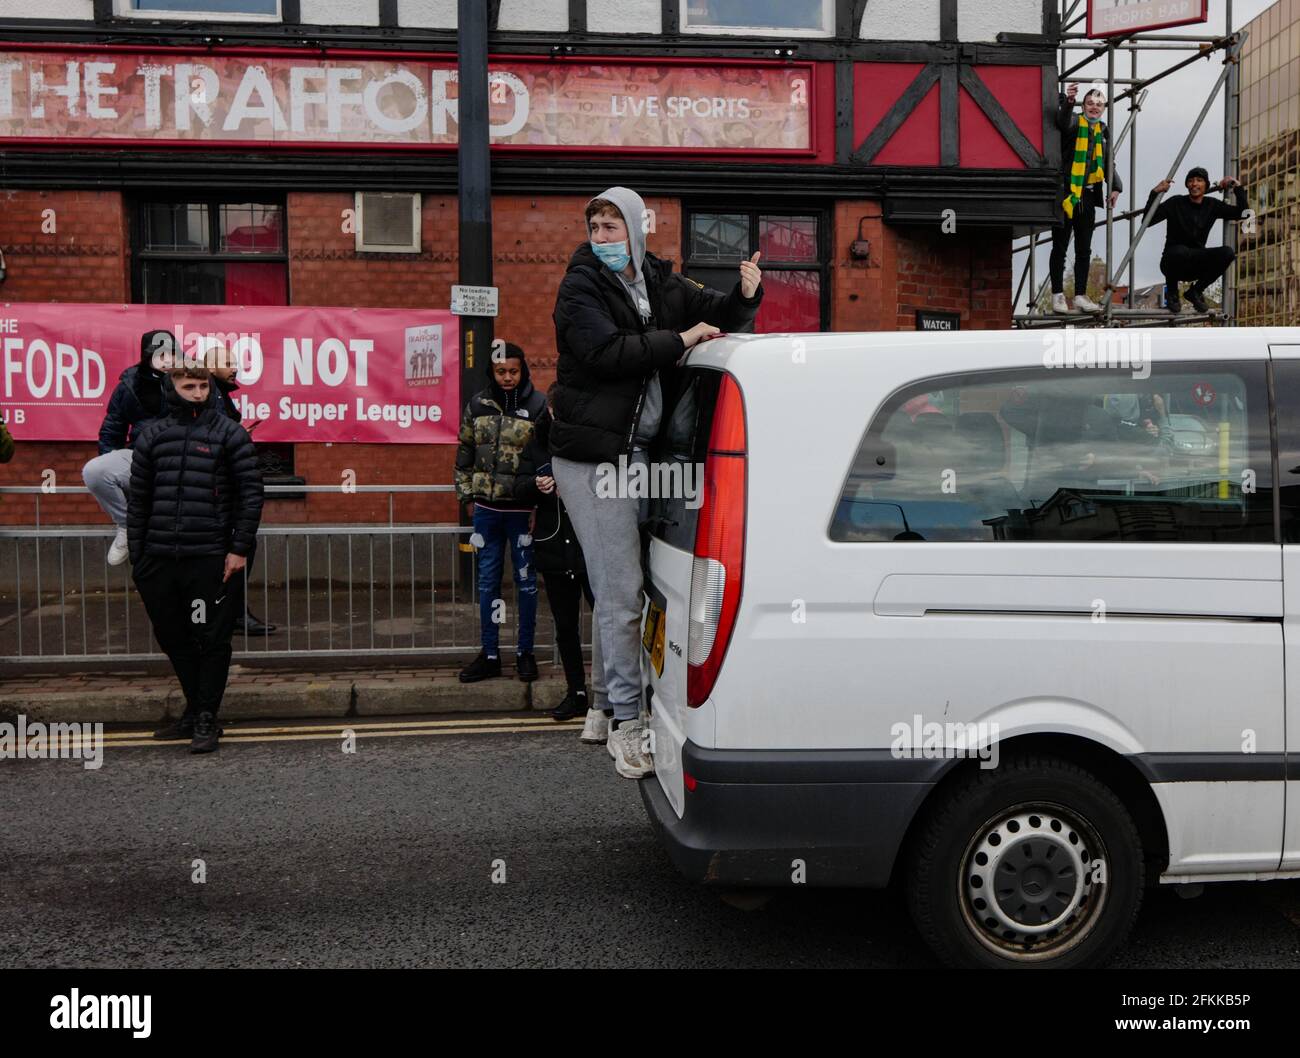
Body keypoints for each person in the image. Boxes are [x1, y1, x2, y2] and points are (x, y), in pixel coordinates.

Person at [549, 185, 763, 779]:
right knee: (622, 592)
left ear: (638, 231)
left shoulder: (659, 282)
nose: (601, 239)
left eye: (612, 228)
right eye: (594, 227)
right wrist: (682, 340)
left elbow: (714, 313)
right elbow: (609, 353)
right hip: (594, 461)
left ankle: (598, 707)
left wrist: (747, 295)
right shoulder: (580, 287)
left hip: (637, 455)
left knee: (620, 586)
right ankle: (626, 724)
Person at [128, 363, 264, 754]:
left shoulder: (229, 433)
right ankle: (194, 709)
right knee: (173, 636)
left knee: (210, 638)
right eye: (189, 385)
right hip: (158, 560)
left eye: (203, 385)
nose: (198, 392)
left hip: (209, 559)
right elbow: (138, 502)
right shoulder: (151, 435)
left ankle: (206, 717)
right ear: (172, 390)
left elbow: (251, 494)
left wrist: (238, 549)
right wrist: (139, 558)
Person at [454, 342, 548, 684]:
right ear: (491, 373)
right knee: (488, 584)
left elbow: (546, 459)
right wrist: (467, 496)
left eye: (513, 371)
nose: (507, 378)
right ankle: (490, 654)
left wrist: (541, 505)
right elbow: (464, 451)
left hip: (523, 513)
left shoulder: (538, 406)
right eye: (500, 372)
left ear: (522, 371)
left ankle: (525, 653)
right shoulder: (477, 405)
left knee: (526, 585)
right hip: (487, 513)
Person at [514, 418, 605, 728]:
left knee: (606, 624)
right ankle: (576, 692)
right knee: (565, 629)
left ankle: (612, 698)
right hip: (553, 549)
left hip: (589, 547)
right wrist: (535, 486)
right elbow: (517, 486)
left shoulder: (589, 439)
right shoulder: (537, 444)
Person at [84, 329, 181, 565]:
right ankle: (127, 526)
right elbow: (112, 430)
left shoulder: (191, 379)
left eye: (171, 354)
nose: (167, 360)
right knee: (95, 471)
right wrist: (117, 467)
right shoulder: (129, 386)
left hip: (182, 461)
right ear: (147, 356)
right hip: (141, 457)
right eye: (160, 354)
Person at [210, 357, 277, 637]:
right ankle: (229, 614)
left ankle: (230, 612)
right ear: (209, 367)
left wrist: (239, 436)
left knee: (242, 547)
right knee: (237, 550)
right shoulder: (212, 397)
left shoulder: (222, 396)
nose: (234, 366)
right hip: (217, 493)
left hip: (226, 488)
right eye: (226, 361)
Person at [1050, 82, 1122, 314]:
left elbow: (1109, 162)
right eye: (1090, 103)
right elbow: (1061, 122)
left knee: (1084, 248)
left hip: (1089, 193)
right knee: (1060, 246)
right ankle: (1057, 294)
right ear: (1084, 104)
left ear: (1104, 108)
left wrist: (1115, 186)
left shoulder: (1103, 130)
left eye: (1099, 105)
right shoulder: (1074, 122)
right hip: (1069, 192)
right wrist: (1070, 102)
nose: (1094, 108)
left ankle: (1080, 294)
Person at [1144, 167, 1249, 314]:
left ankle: (1196, 291)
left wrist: (1237, 186)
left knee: (1228, 253)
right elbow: (1148, 221)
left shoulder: (1212, 205)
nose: (1194, 184)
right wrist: (1155, 192)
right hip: (1172, 262)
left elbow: (1244, 214)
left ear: (1205, 185)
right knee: (1179, 251)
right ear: (1187, 185)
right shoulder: (1176, 202)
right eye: (1191, 181)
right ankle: (1172, 293)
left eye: (1199, 181)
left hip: (1195, 262)